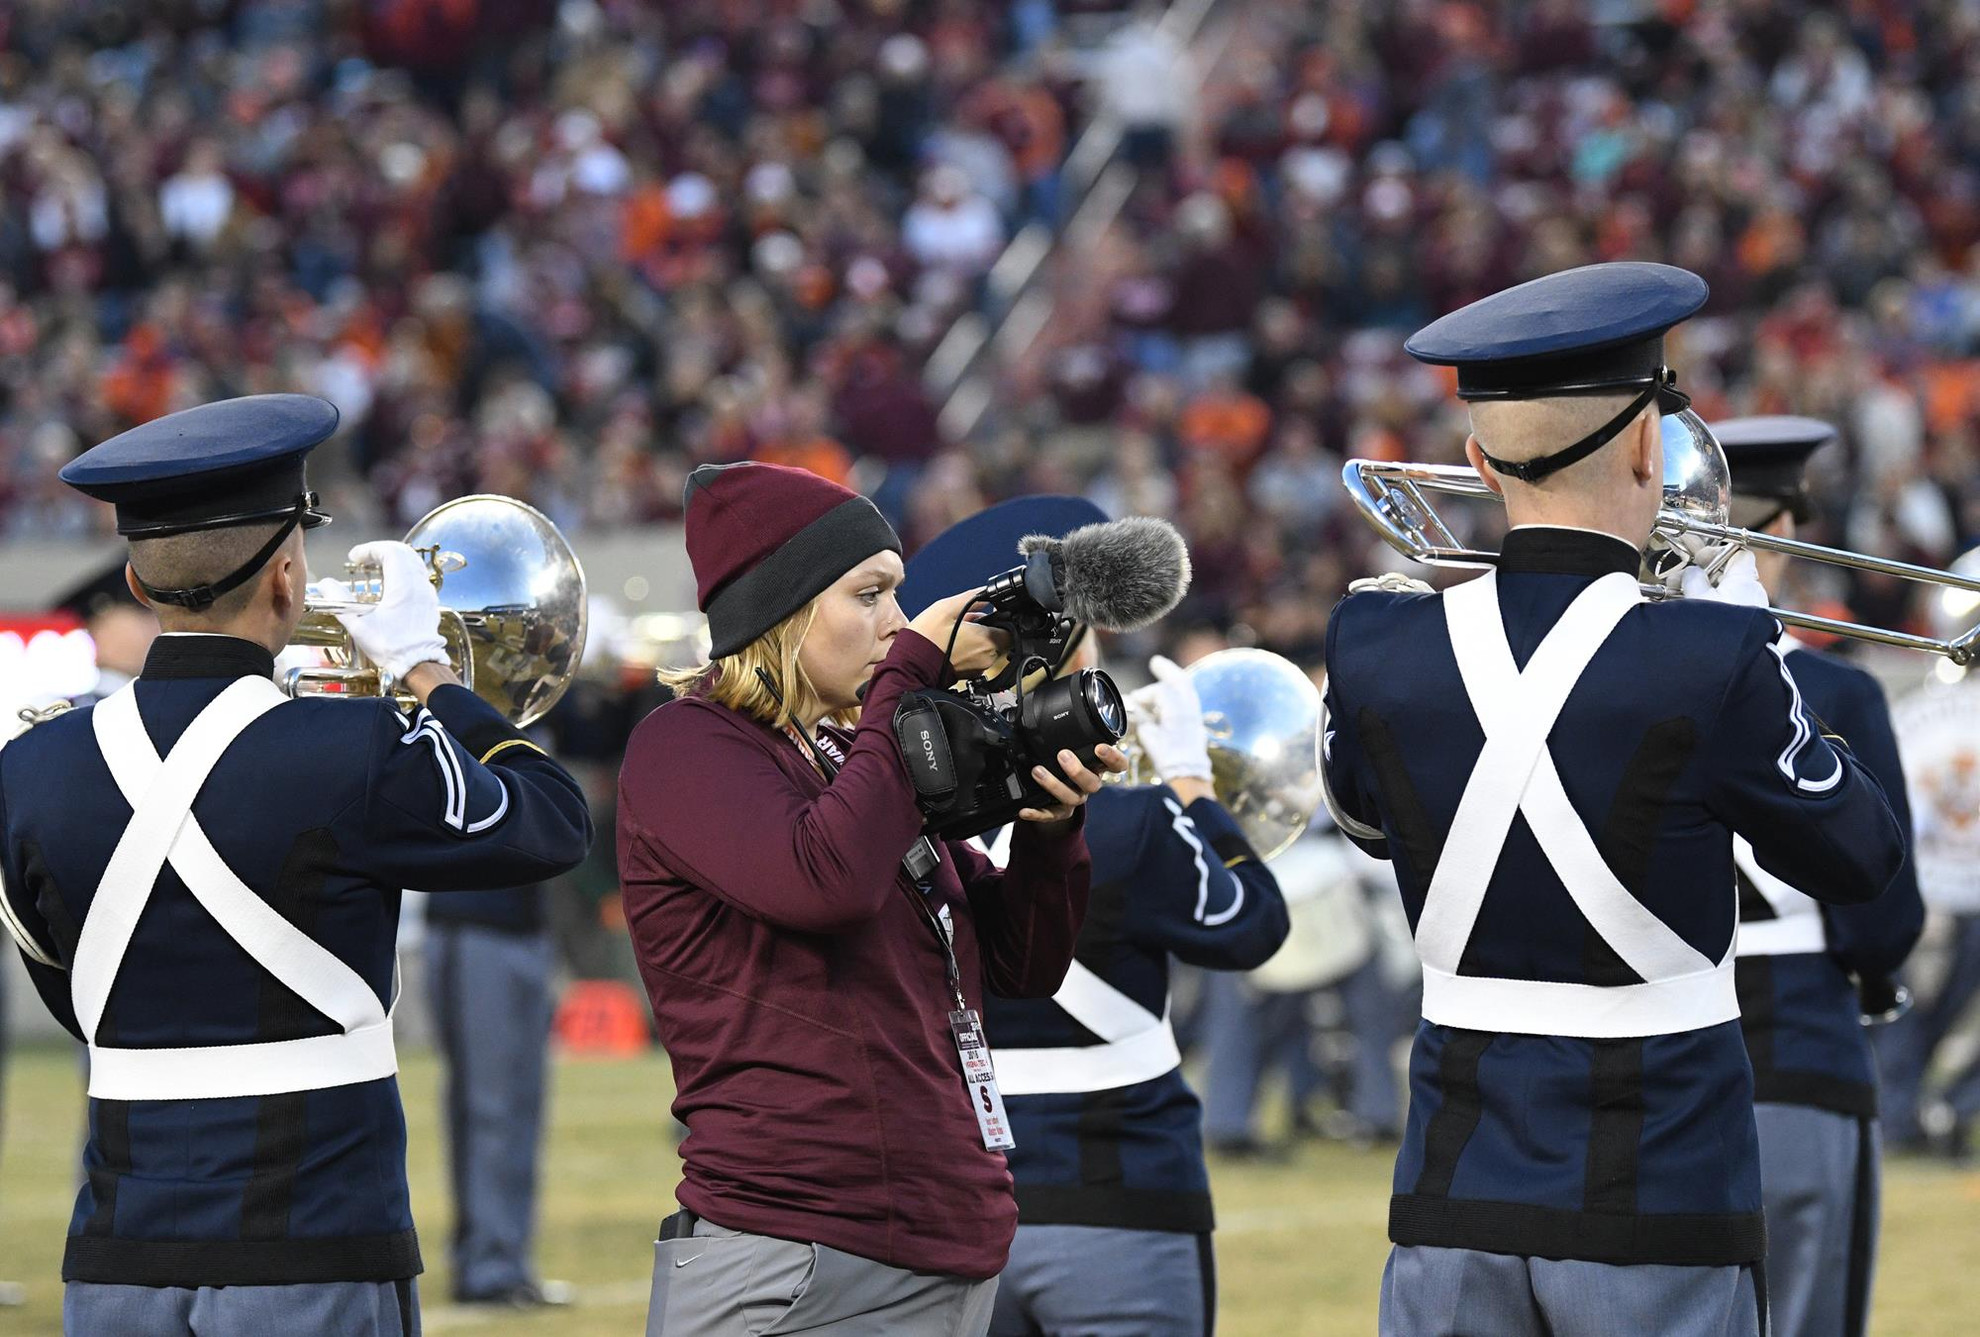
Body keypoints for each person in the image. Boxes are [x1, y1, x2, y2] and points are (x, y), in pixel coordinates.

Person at [1322, 264, 1909, 1337]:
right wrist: (1751, 620)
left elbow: (1365, 819)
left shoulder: (1374, 638)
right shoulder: (1716, 650)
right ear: (1651, 447)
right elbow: (1861, 853)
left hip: (1450, 1189)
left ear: (1474, 460)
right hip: (1661, 1187)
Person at [0, 394, 593, 1337]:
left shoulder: (30, 766)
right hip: (315, 1247)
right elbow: (551, 821)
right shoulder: (355, 745)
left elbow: (78, 996)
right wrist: (426, 667)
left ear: (140, 583)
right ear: (287, 577)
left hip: (116, 1264)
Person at [619, 462, 1118, 1337]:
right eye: (872, 594)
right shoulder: (685, 744)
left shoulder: (848, 750)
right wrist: (915, 673)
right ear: (785, 609)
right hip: (797, 1251)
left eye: (899, 597)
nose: (898, 621)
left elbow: (1021, 963)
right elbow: (827, 880)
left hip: (941, 1244)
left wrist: (1050, 824)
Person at [894, 496, 1289, 1337]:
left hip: (961, 1208)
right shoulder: (1137, 822)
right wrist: (1191, 790)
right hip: (1125, 1202)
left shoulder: (892, 824)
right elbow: (1254, 923)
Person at [1712, 415, 1925, 1337]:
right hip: (1800, 1043)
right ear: (1787, 527)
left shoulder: (1616, 682)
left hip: (1647, 1062)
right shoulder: (1840, 695)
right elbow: (1882, 916)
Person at [423, 852, 569, 1309]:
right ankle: (492, 1267)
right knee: (499, 1106)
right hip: (489, 926)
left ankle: (485, 1257)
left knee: (482, 1106)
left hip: (469, 921)